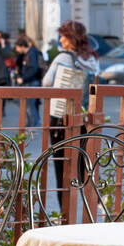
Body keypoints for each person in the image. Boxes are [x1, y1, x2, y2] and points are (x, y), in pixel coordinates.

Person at [42, 21, 100, 208]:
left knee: (62, 166)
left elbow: (46, 82)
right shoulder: (93, 59)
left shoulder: (63, 58)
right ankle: (92, 206)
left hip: (62, 117)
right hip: (86, 118)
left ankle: (64, 212)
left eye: (63, 36)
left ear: (71, 38)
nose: (60, 39)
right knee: (85, 163)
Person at [12, 35, 44, 127]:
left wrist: (23, 78)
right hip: (30, 82)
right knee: (29, 105)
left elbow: (33, 69)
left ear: (22, 46)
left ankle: (34, 124)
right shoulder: (26, 54)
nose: (17, 50)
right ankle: (32, 123)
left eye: (17, 48)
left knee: (30, 105)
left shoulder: (31, 53)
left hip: (31, 82)